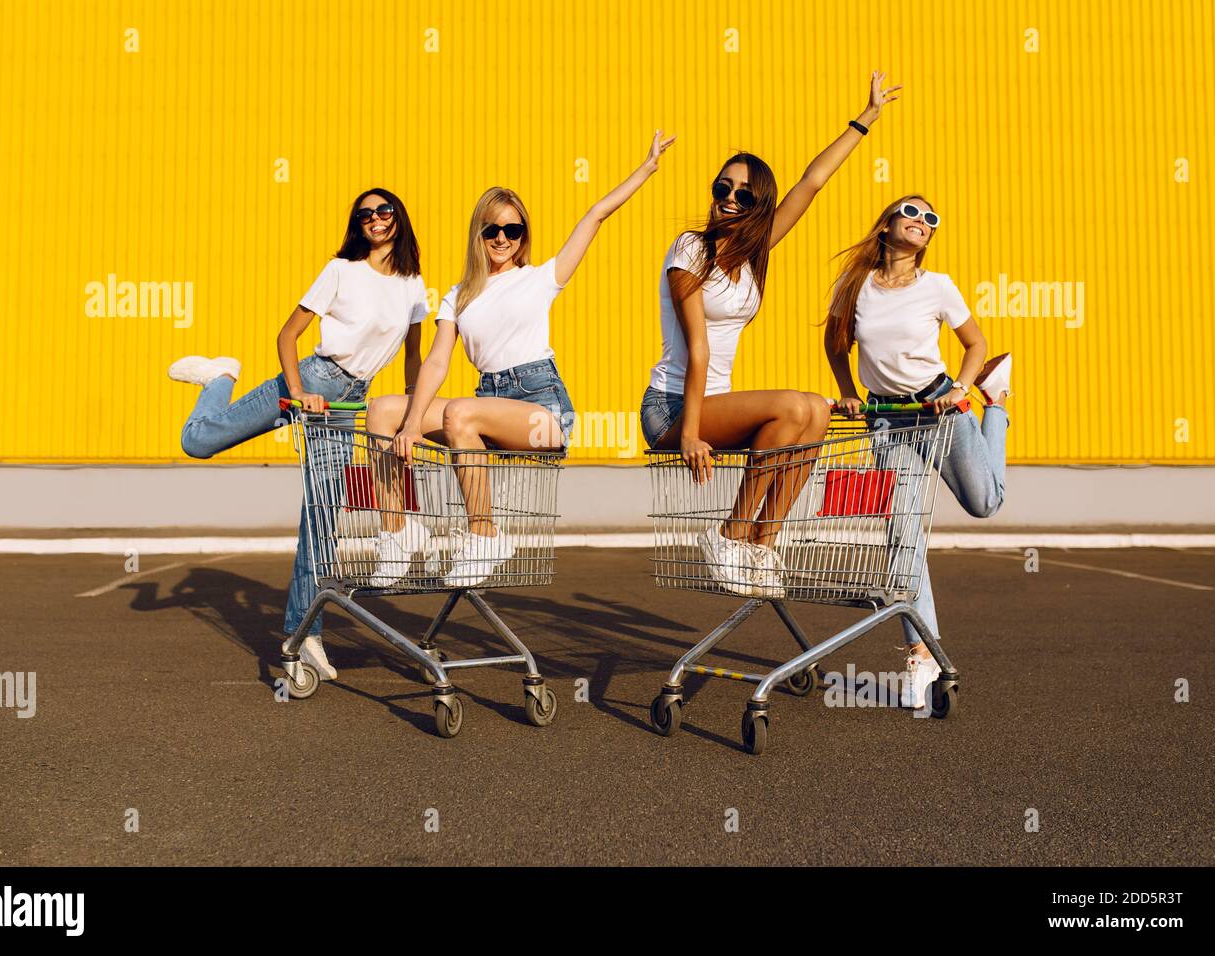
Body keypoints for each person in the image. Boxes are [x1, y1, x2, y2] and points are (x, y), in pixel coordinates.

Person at [366, 130, 677, 588]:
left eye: (513, 229)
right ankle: (398, 531)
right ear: (479, 232)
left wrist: (646, 168)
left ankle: (485, 533)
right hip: (485, 408)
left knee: (459, 412)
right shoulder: (459, 295)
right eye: (492, 229)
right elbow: (434, 364)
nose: (502, 238)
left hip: (544, 413)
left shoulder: (540, 278)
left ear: (523, 234)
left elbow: (595, 216)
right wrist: (411, 424)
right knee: (384, 409)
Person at [640, 72, 903, 598]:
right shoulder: (690, 248)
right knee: (790, 404)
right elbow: (697, 347)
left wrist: (864, 121)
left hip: (714, 404)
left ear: (759, 203)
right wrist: (690, 433)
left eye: (743, 192)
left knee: (815, 409)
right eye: (723, 187)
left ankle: (762, 542)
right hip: (672, 407)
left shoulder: (754, 256)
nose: (730, 198)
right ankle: (732, 534)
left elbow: (810, 183)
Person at [168, 189, 430, 681]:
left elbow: (414, 356)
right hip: (312, 381)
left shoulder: (413, 284)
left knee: (321, 520)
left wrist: (413, 411)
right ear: (359, 223)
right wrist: (296, 391)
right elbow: (287, 334)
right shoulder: (341, 270)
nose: (375, 219)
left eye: (384, 210)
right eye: (366, 214)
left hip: (348, 402)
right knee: (197, 442)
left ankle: (303, 633)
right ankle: (219, 377)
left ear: (399, 217)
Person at [824, 194, 1012, 709]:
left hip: (936, 410)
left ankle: (995, 405)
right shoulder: (855, 285)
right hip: (886, 420)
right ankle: (920, 652)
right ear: (886, 225)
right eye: (914, 213)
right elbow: (835, 344)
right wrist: (847, 392)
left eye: (933, 218)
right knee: (902, 539)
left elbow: (974, 342)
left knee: (984, 503)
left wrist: (965, 388)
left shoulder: (938, 287)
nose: (924, 222)